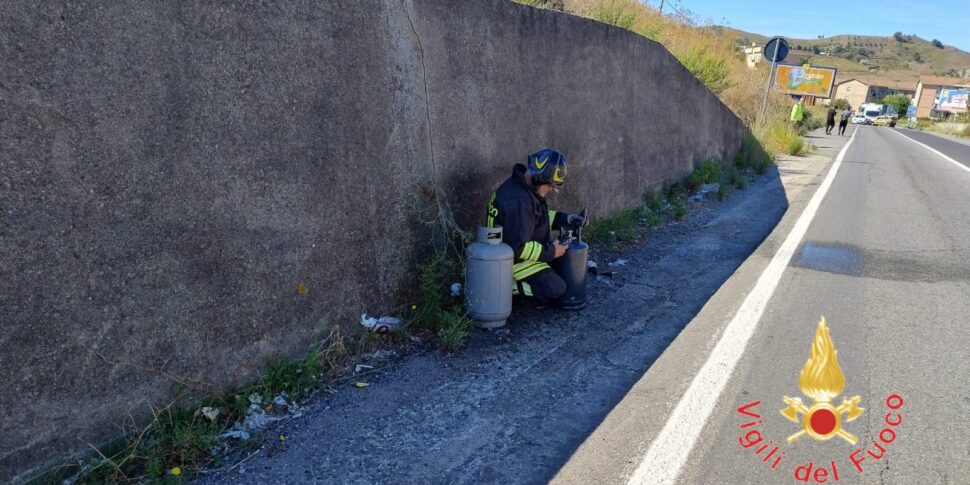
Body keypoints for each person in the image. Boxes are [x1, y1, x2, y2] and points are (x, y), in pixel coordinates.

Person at [486, 149, 587, 304]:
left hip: (514, 252)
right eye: (550, 185)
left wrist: (567, 219)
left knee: (567, 266)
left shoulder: (522, 188)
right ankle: (505, 286)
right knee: (556, 288)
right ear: (540, 178)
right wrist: (552, 252)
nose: (552, 189)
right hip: (511, 262)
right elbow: (519, 247)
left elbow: (538, 218)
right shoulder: (520, 202)